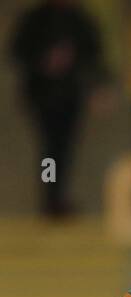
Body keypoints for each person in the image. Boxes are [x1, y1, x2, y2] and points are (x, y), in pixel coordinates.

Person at [8, 0, 109, 218]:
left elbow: (94, 53)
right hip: (42, 95)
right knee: (51, 148)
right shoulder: (36, 19)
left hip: (70, 95)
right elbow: (17, 50)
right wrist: (43, 61)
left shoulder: (79, 18)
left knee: (63, 148)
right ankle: (50, 199)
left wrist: (97, 86)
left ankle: (56, 197)